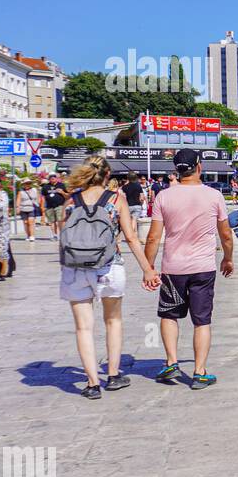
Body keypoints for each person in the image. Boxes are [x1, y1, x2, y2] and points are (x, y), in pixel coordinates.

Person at [58, 156, 160, 399]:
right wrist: (148, 270)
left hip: (76, 270)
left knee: (83, 328)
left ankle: (92, 384)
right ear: (107, 176)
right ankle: (113, 375)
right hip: (110, 267)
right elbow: (132, 238)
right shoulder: (116, 199)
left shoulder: (71, 201)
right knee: (113, 321)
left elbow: (64, 237)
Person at [144, 149, 234, 390]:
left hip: (173, 268)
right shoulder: (214, 196)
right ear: (199, 167)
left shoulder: (164, 197)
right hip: (203, 268)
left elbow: (153, 238)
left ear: (177, 170)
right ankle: (199, 372)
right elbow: (225, 234)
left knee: (169, 315)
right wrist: (228, 259)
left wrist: (148, 267)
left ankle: (172, 363)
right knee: (201, 321)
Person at [16, 178, 43, 242]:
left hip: (32, 208)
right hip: (23, 208)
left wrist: (38, 204)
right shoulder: (21, 191)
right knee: (25, 222)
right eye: (26, 183)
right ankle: (28, 235)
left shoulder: (34, 190)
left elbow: (38, 197)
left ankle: (32, 236)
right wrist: (17, 207)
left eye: (29, 183)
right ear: (24, 185)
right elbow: (18, 200)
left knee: (31, 222)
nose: (28, 185)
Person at [42, 173, 68, 239]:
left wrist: (62, 192)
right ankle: (55, 235)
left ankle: (62, 234)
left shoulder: (61, 185)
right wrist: (42, 206)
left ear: (56, 178)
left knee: (60, 220)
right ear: (49, 179)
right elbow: (43, 197)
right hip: (49, 206)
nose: (52, 179)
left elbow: (67, 195)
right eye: (50, 178)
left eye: (53, 177)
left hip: (59, 205)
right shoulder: (45, 186)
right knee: (52, 221)